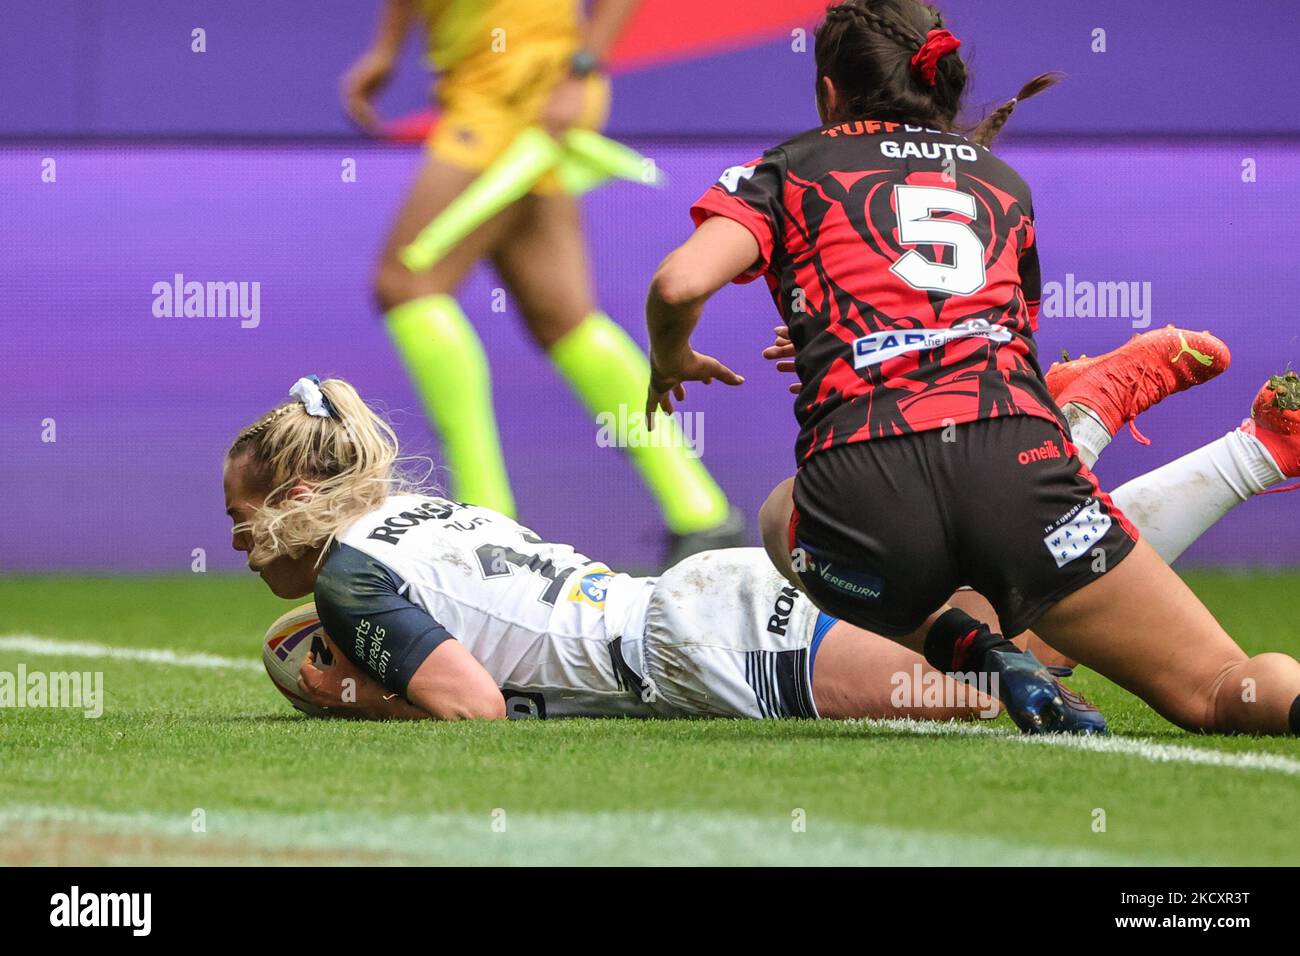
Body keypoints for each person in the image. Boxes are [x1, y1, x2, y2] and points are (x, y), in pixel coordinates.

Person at [642, 0, 1300, 734]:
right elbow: (993, 339)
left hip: (864, 496)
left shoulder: (786, 170)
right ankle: (1095, 424)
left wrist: (671, 356)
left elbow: (679, 284)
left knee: (779, 518)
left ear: (829, 93)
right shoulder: (1002, 186)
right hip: (1016, 475)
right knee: (1219, 689)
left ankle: (979, 650)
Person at [223, 367, 1296, 729]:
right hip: (695, 605)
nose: (235, 541)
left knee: (1042, 656)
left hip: (703, 641)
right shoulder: (414, 525)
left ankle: (1095, 429)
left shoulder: (355, 575)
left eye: (240, 516)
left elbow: (474, 705)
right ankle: (1212, 442)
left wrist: (365, 698)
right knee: (1031, 631)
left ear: (298, 495)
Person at [341, 0, 743, 565]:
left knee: (406, 283)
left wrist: (580, 71)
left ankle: (484, 516)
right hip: (483, 86)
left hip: (524, 91)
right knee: (563, 316)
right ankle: (702, 514)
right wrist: (388, 48)